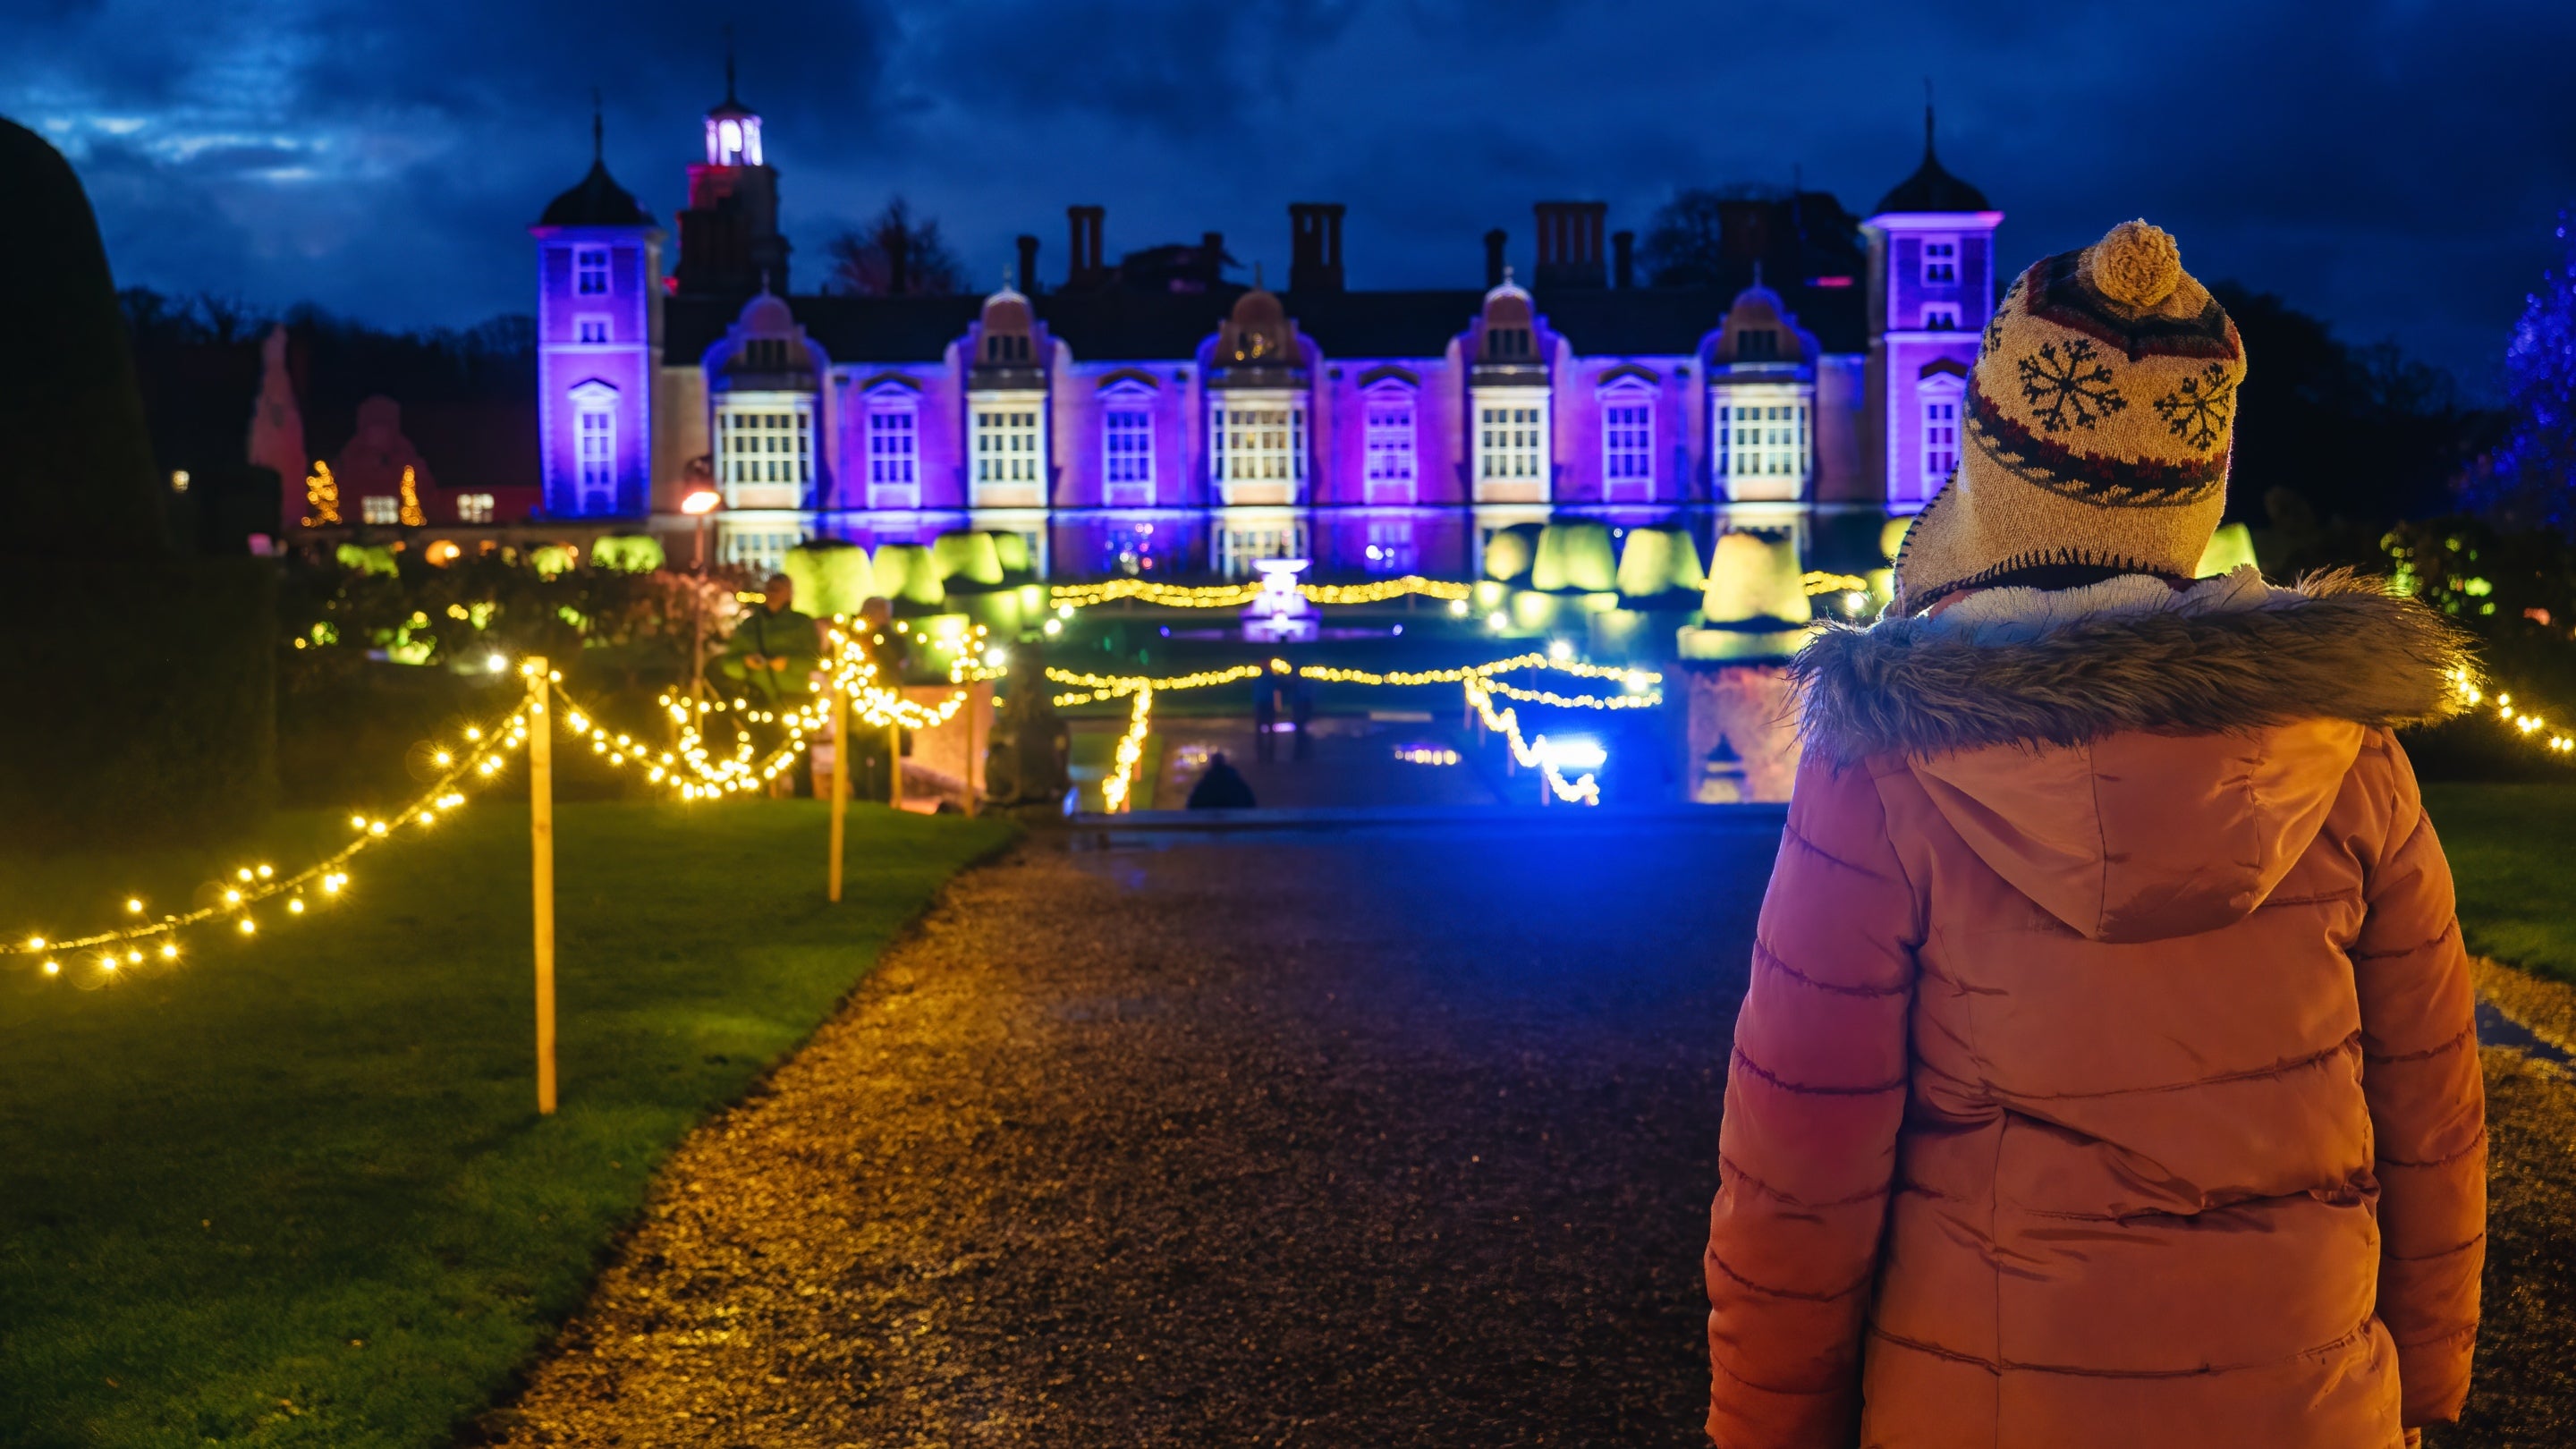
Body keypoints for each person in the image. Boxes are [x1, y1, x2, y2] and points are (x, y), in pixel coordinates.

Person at [1704, 221, 2484, 1449]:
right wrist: (2424, 1377)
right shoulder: (2351, 758)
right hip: (2304, 1402)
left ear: (1989, 469)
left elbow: (1803, 1152)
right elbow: (2432, 1113)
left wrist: (1769, 1424)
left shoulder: (1883, 766)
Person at [718, 572, 821, 704]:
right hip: (758, 699)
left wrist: (788, 663)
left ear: (789, 594)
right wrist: (746, 662)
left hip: (795, 698)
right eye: (770, 589)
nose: (773, 594)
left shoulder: (802, 623)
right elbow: (728, 664)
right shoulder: (749, 625)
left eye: (777, 590)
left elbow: (814, 661)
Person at [1185, 750, 1256, 809]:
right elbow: (1251, 803)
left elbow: (1192, 805)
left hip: (1209, 821)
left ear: (1212, 764)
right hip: (1236, 820)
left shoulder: (1204, 785)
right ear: (1224, 762)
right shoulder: (1237, 784)